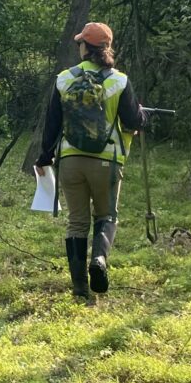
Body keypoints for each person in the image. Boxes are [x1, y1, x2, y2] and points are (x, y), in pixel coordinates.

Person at [35, 22, 146, 301]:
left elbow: (52, 124)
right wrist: (144, 116)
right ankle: (99, 259)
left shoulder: (63, 79)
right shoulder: (119, 81)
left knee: (76, 223)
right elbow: (133, 121)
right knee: (106, 216)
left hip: (70, 162)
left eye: (80, 42)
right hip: (107, 162)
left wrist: (44, 157)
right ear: (106, 48)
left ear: (86, 47)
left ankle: (80, 289)